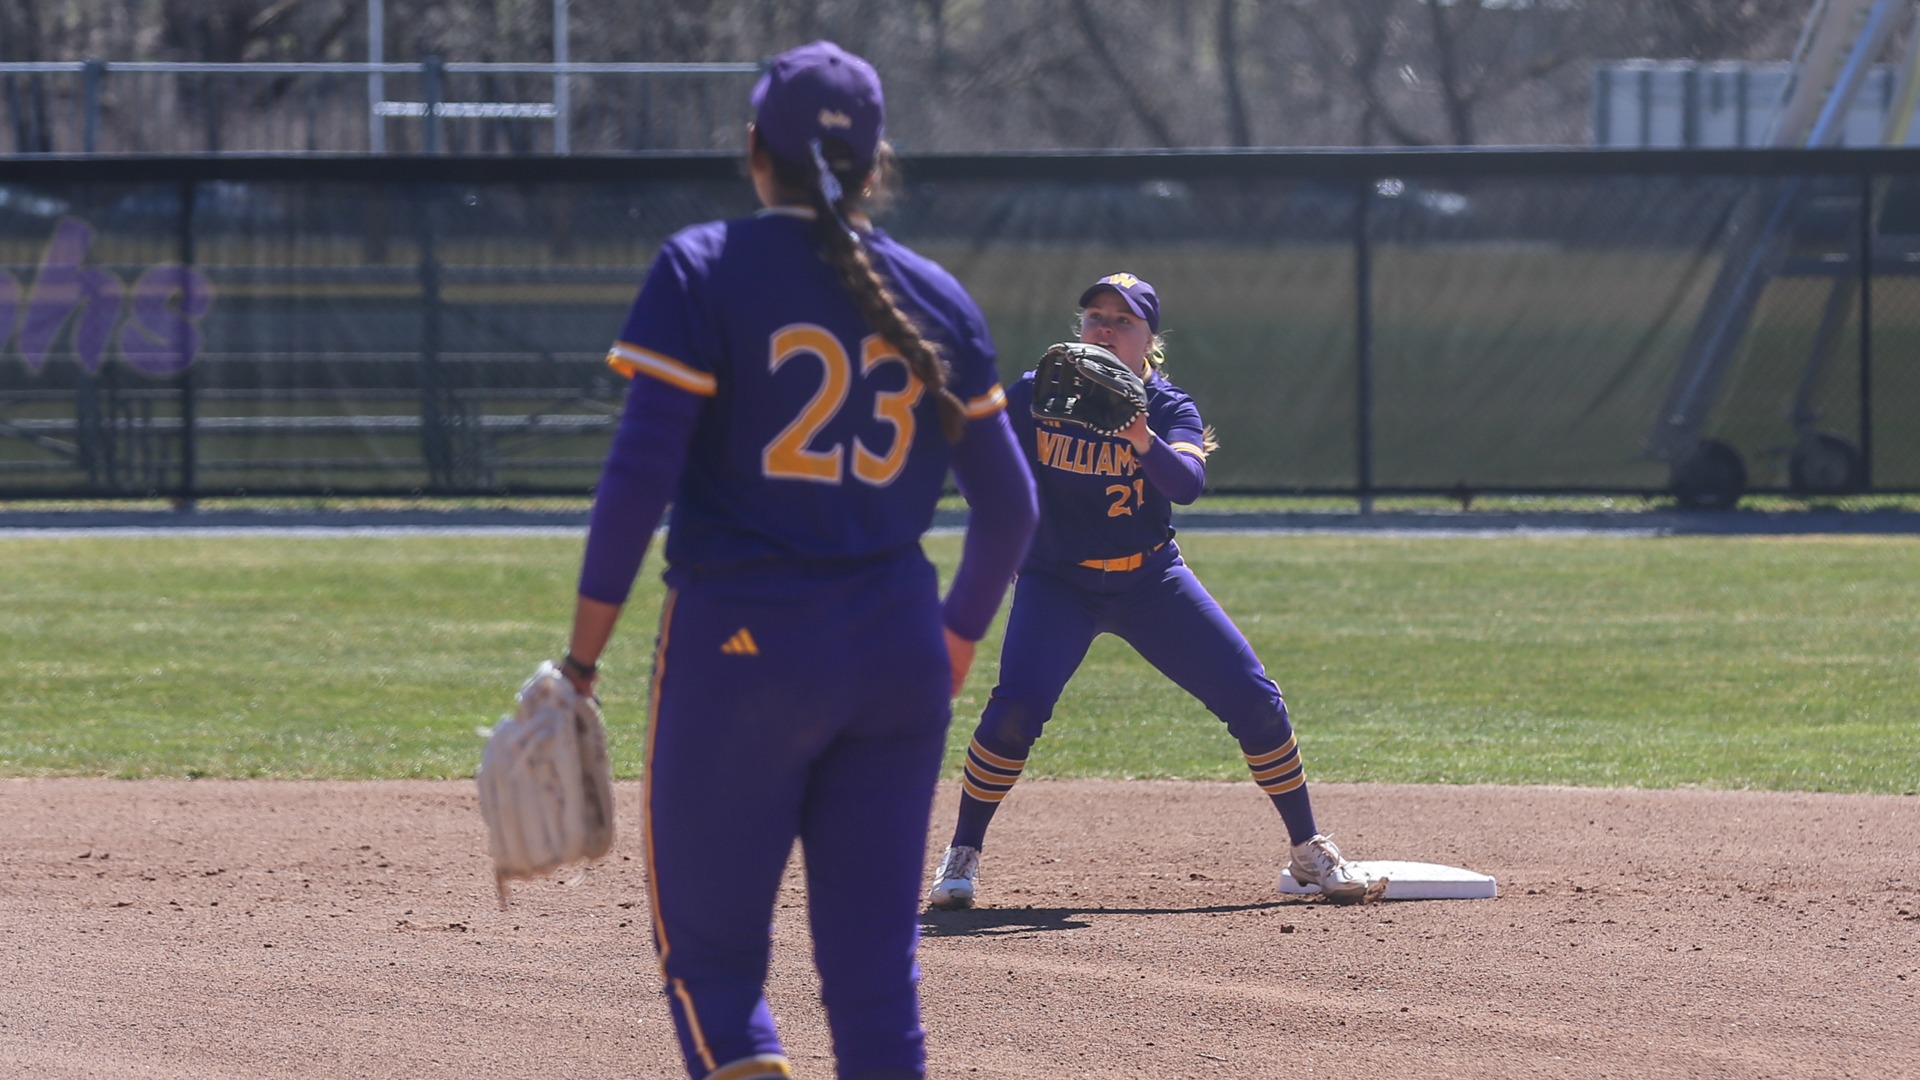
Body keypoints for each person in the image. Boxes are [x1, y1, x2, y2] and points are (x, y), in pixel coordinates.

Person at [557, 41, 1037, 1080]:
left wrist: (581, 662)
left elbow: (637, 481)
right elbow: (1010, 512)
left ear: (752, 151)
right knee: (875, 986)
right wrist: (949, 646)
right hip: (898, 654)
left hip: (743, 646)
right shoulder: (938, 299)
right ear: (878, 165)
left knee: (715, 969)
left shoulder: (705, 267)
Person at [926, 272, 1379, 909]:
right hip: (1059, 582)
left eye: (1123, 320)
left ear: (1149, 340)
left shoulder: (1168, 407)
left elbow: (1186, 484)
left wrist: (1139, 434)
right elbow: (976, 465)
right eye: (1095, 317)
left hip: (1150, 580)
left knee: (1254, 699)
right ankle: (963, 854)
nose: (1105, 329)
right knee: (1017, 708)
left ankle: (1308, 849)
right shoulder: (1038, 394)